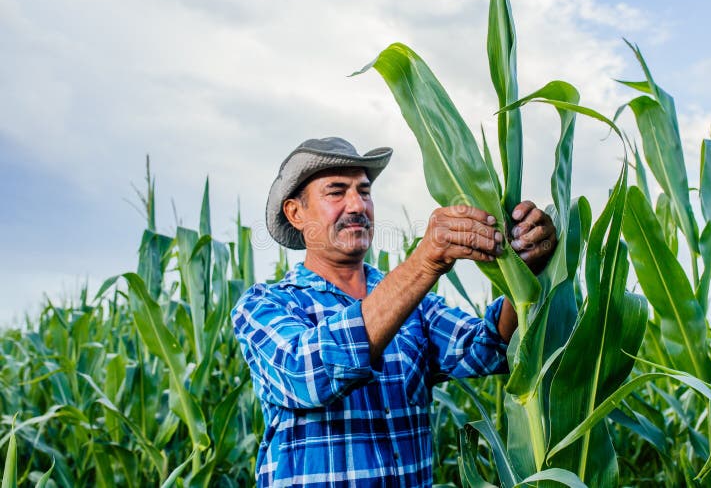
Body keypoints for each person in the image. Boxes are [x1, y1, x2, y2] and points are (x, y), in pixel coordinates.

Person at [231, 137, 557, 487]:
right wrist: (425, 261)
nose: (357, 205)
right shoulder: (264, 305)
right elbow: (306, 374)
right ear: (296, 213)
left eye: (364, 191)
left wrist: (525, 273)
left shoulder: (414, 304)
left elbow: (490, 347)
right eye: (336, 192)